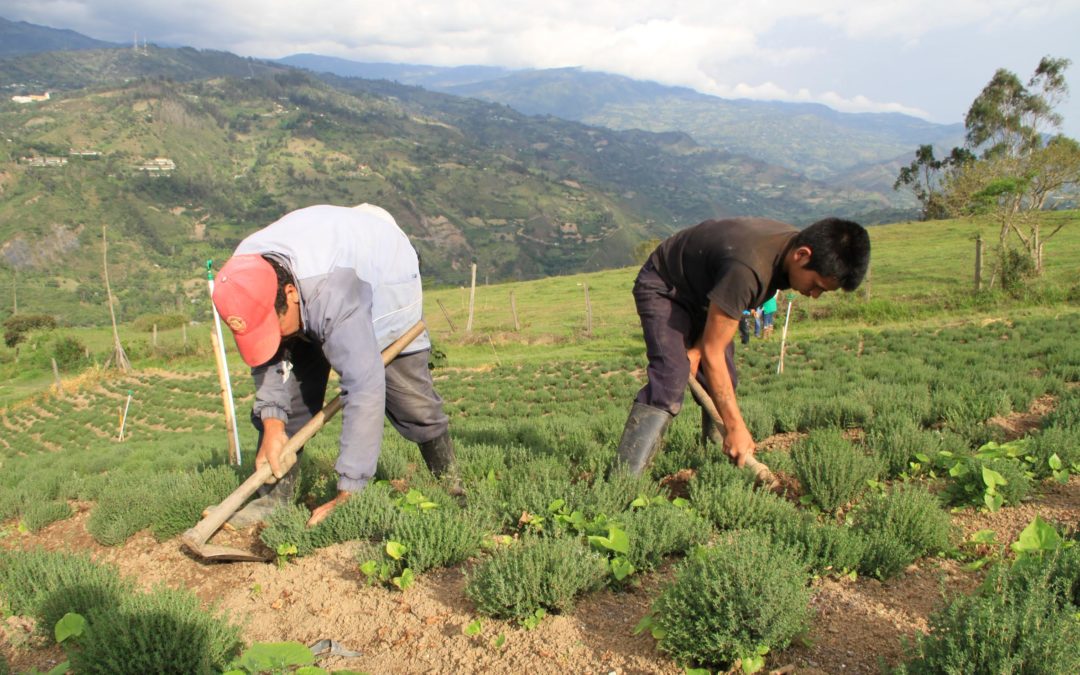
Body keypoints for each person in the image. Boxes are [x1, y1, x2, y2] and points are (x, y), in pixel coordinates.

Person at [212, 203, 457, 527]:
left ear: (290, 294)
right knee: (293, 400)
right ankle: (273, 501)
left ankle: (452, 489)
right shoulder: (242, 277)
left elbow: (364, 387)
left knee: (411, 401)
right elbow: (269, 361)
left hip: (386, 277)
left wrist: (349, 489)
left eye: (274, 327)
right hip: (321, 277)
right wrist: (273, 424)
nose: (274, 338)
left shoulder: (334, 291)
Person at [614, 216, 870, 475]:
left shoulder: (786, 253)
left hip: (708, 294)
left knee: (724, 379)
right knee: (670, 378)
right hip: (665, 286)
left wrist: (696, 351)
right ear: (802, 255)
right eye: (816, 286)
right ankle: (624, 479)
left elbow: (712, 344)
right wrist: (736, 426)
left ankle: (716, 463)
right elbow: (714, 351)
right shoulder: (750, 267)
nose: (814, 295)